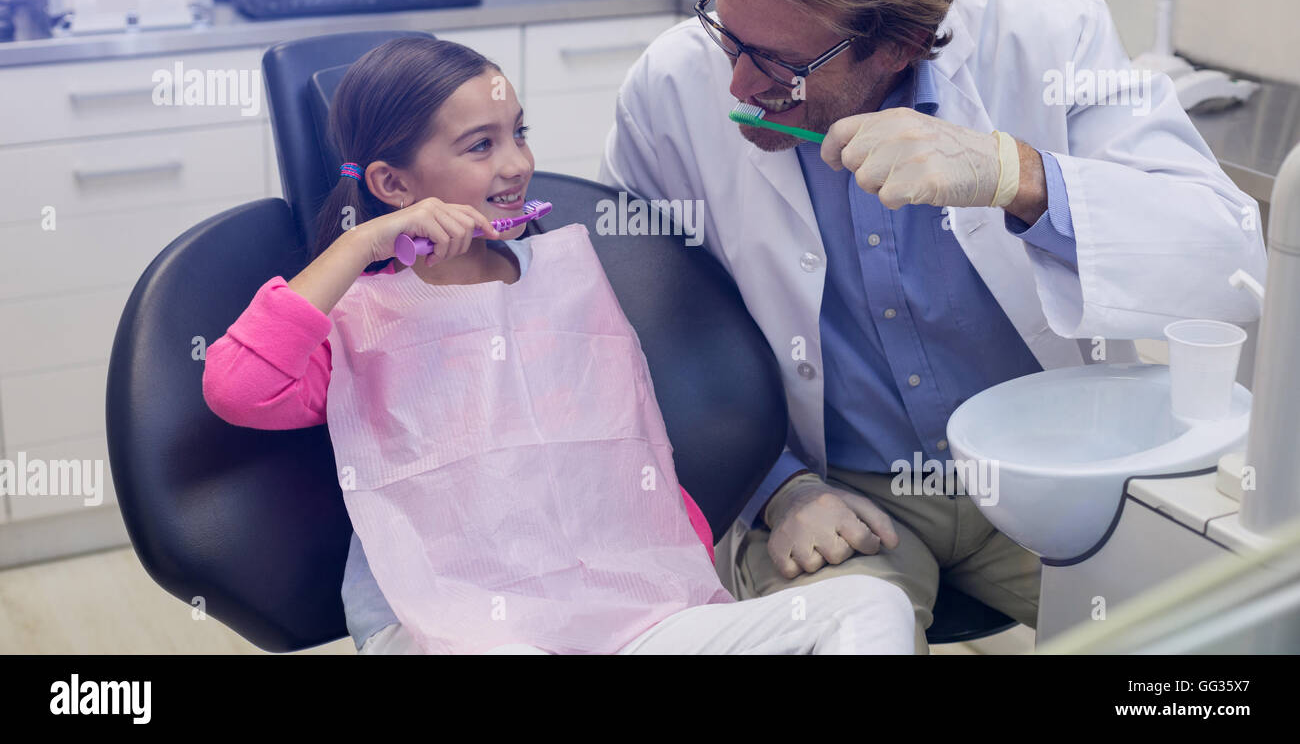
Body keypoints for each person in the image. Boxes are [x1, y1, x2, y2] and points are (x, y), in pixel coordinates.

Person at [598, 0, 1267, 654]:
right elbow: (641, 333)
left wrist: (1017, 175)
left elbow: (1228, 264)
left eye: (776, 62)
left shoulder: (1049, 37)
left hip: (1048, 473)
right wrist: (776, 491)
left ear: (900, 42)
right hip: (831, 494)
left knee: (1213, 646)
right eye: (725, 32)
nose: (737, 86)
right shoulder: (671, 90)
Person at [201, 35, 916, 654]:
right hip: (449, 620)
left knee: (872, 606)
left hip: (625, 609)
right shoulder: (356, 318)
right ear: (392, 183)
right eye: (481, 145)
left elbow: (616, 454)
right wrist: (361, 244)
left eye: (519, 132)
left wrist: (679, 572)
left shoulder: (568, 276)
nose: (517, 163)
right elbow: (236, 387)